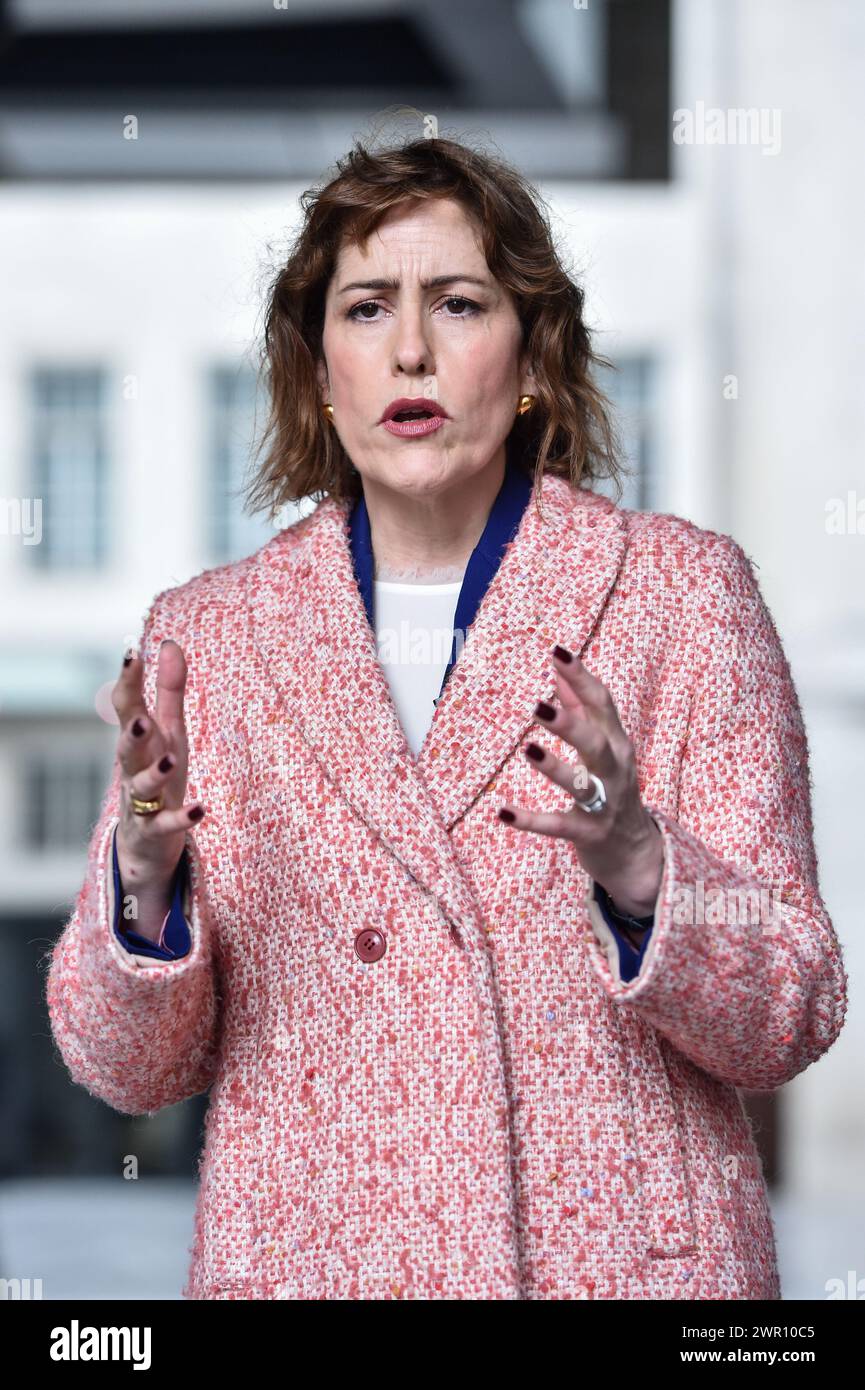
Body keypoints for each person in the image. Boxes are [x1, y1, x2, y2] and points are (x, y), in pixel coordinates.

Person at [45, 135, 847, 1301]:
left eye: (458, 303)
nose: (410, 349)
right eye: (366, 308)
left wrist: (640, 867)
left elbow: (794, 1005)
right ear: (319, 370)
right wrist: (144, 878)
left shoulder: (685, 597)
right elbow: (123, 1069)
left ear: (530, 355)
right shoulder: (207, 638)